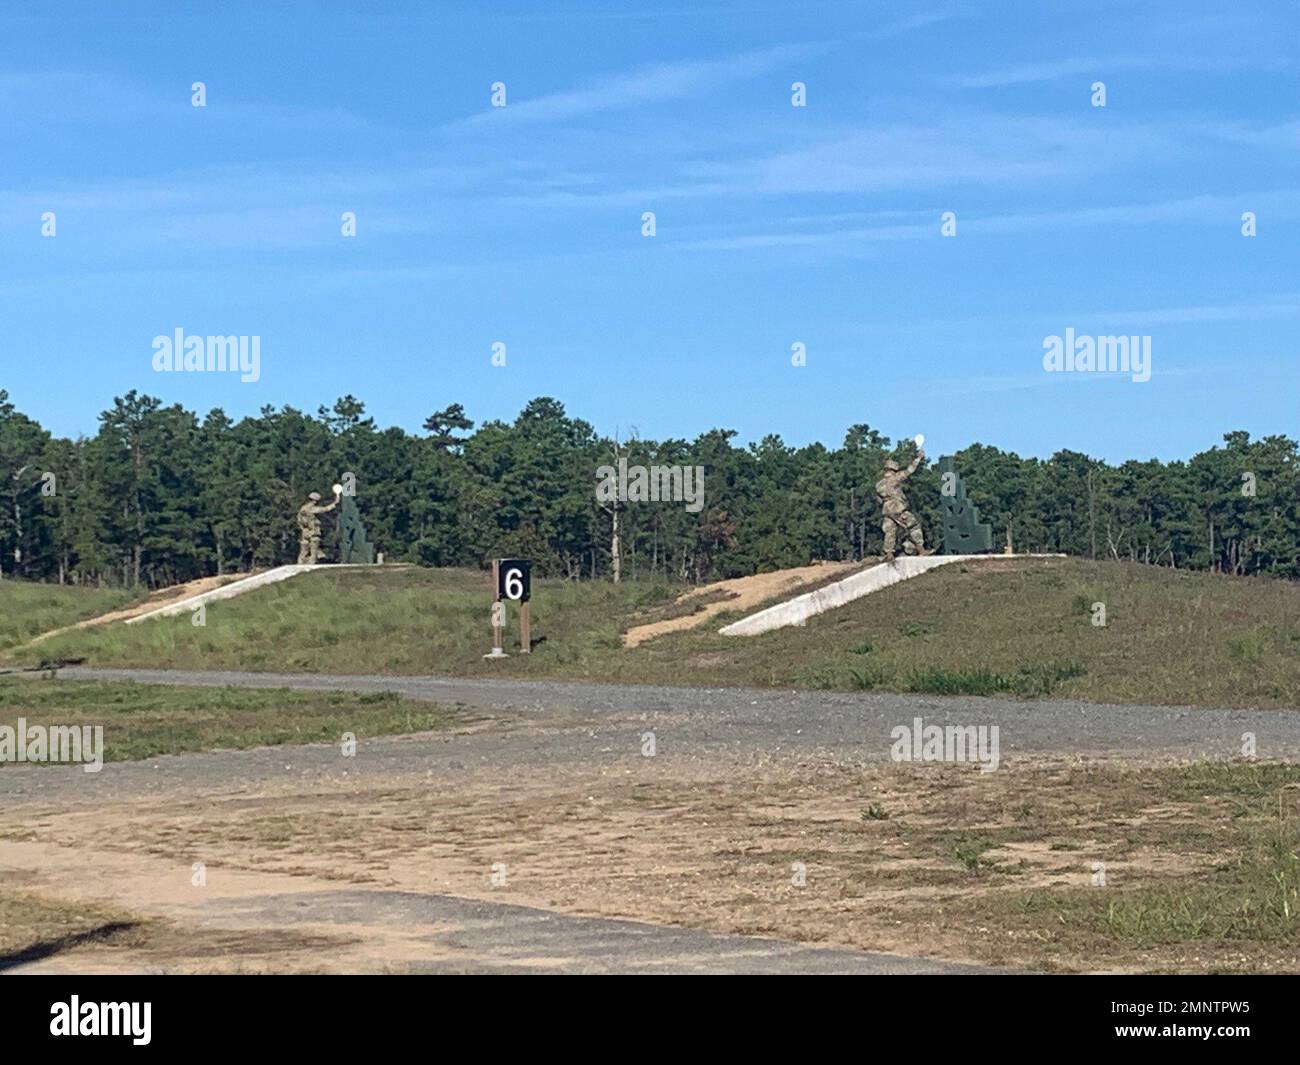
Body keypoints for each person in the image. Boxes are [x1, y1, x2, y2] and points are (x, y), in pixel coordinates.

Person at [875, 451, 930, 561]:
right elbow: (910, 470)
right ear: (893, 470)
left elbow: (879, 500)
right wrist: (918, 458)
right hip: (897, 508)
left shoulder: (879, 484)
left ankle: (889, 553)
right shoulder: (894, 479)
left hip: (886, 510)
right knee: (913, 525)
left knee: (890, 531)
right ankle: (921, 549)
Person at [296, 487, 341, 564]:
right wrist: (335, 503)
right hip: (313, 531)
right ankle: (311, 563)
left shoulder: (302, 508)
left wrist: (303, 528)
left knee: (304, 550)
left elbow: (299, 520)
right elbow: (325, 509)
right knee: (314, 549)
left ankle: (300, 562)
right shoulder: (311, 509)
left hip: (305, 532)